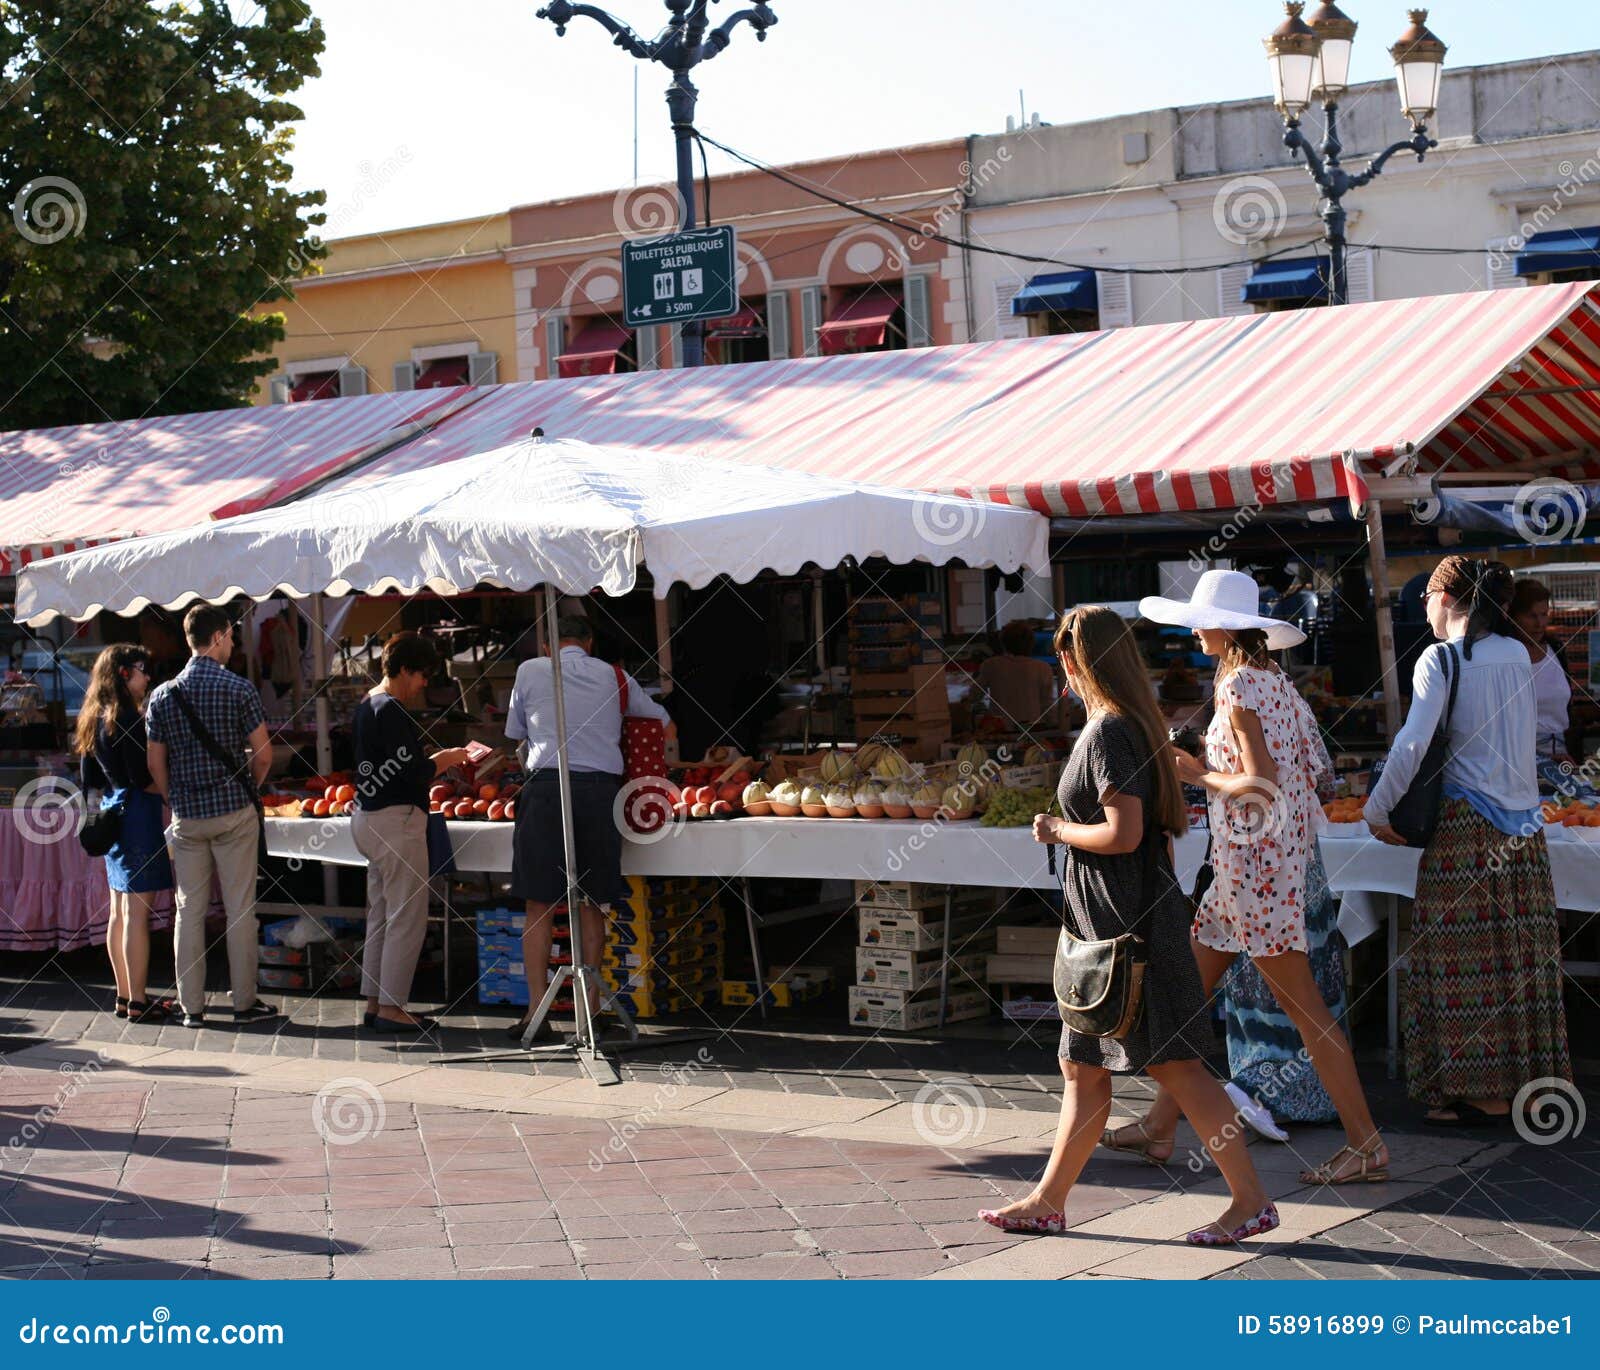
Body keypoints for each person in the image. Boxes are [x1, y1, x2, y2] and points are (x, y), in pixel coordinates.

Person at [980, 606, 1277, 1246]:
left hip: (1126, 930)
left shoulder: (1112, 730)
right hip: (1116, 926)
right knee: (1084, 1066)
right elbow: (1160, 841)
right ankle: (1047, 1201)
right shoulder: (1130, 725)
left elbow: (1125, 833)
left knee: (1178, 1068)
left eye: (1064, 655)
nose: (1060, 666)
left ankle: (1250, 1201)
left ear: (1079, 661)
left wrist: (1056, 829)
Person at [1116, 569, 1387, 1186]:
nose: (1195, 630)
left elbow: (1260, 783)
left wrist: (1195, 773)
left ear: (1223, 627)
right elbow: (1311, 773)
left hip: (1254, 870)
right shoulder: (1275, 683)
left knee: (1307, 1013)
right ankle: (1160, 1126)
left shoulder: (1239, 685)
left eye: (1201, 620)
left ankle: (1367, 1145)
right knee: (1187, 996)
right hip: (1262, 866)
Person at [1365, 555, 1571, 1126]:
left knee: (1457, 963)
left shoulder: (1442, 659)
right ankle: (1520, 1081)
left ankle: (1475, 1088)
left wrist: (1376, 808)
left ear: (1448, 599)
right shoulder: (1520, 656)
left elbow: (1412, 743)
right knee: (1517, 960)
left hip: (1464, 828)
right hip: (1523, 831)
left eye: (1427, 596)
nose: (1423, 608)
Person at [504, 614, 674, 1040]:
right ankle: (590, 1014)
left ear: (548, 644)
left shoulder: (529, 670)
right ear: (589, 642)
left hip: (545, 789)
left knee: (538, 903)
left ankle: (533, 1013)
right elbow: (661, 719)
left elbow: (516, 731)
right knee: (592, 901)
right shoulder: (614, 675)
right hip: (600, 792)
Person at [146, 604, 275, 1029]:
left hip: (188, 816)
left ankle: (192, 1008)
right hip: (233, 811)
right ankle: (243, 1003)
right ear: (217, 635)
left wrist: (174, 797)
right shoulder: (238, 688)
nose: (234, 643)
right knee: (240, 908)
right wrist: (250, 789)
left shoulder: (162, 695)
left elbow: (155, 764)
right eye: (232, 635)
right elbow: (263, 754)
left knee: (189, 910)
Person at [350, 633, 474, 1035]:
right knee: (406, 916)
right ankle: (392, 1007)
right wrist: (448, 758)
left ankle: (375, 1001)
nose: (424, 684)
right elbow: (415, 772)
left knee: (382, 915)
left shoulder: (367, 705)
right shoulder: (393, 710)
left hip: (368, 818)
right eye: (421, 675)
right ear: (404, 670)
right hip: (396, 821)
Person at [74, 644, 175, 1024]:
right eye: (141, 669)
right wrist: (170, 789)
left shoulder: (92, 716)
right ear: (123, 673)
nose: (147, 676)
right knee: (136, 914)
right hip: (137, 816)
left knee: (119, 910)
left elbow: (89, 782)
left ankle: (123, 996)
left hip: (113, 816)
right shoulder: (127, 717)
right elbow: (142, 778)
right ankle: (137, 1001)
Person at [1508, 578, 1590, 799]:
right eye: (1531, 616)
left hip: (1563, 759)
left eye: (1544, 614)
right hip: (1519, 765)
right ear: (1512, 617)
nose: (1539, 623)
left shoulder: (1555, 648)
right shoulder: (1504, 657)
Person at [977, 621, 1058, 734]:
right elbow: (1047, 704)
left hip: (999, 729)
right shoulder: (1043, 668)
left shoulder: (990, 665)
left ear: (1003, 643)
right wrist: (1055, 725)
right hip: (1032, 730)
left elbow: (975, 695)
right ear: (1031, 643)